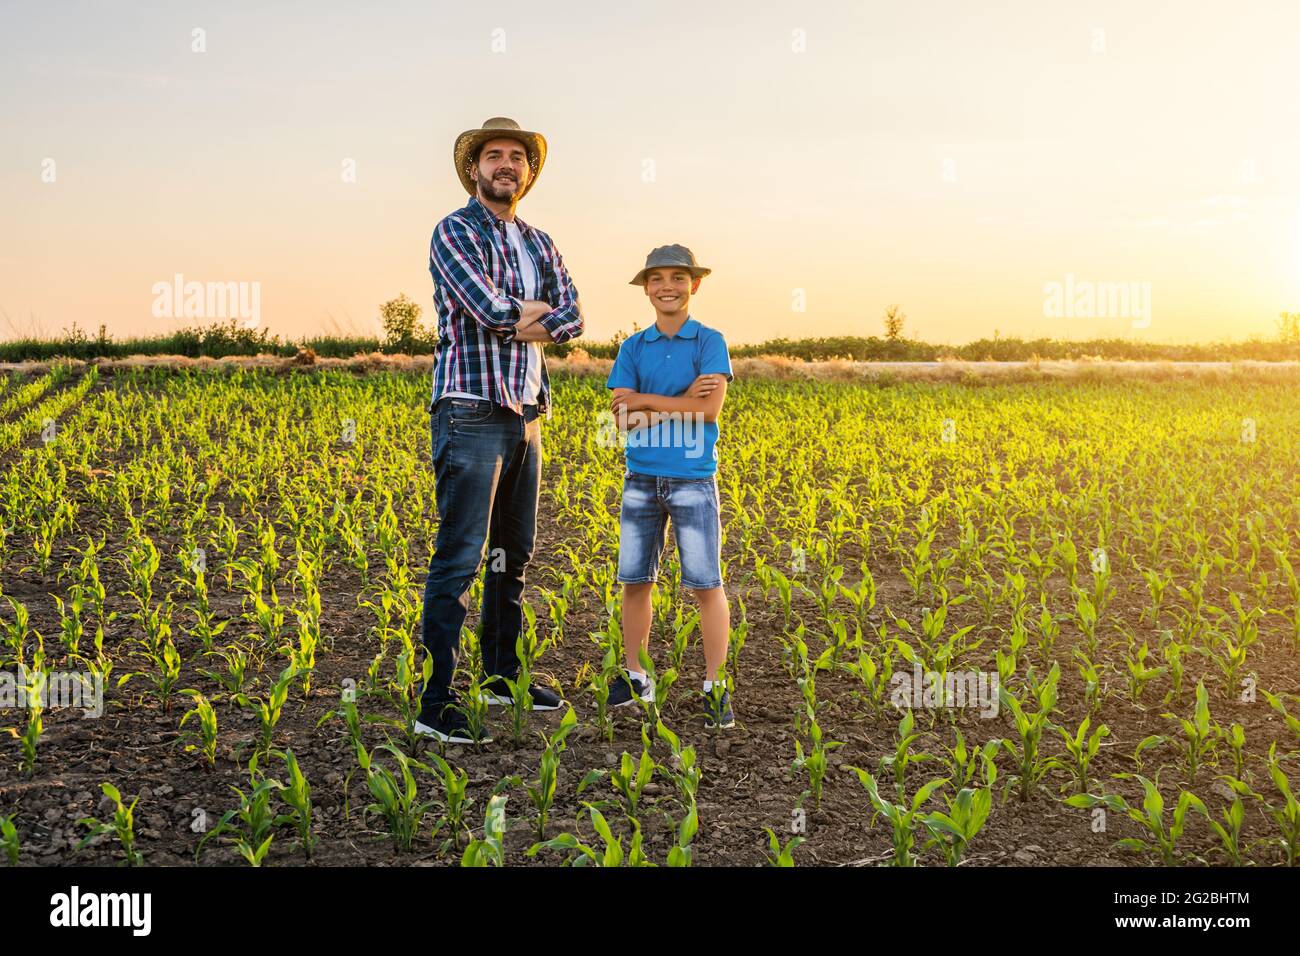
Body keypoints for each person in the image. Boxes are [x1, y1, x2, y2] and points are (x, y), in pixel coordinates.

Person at [416, 117, 584, 744]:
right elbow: (487, 311)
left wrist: (529, 317)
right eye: (494, 156)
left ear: (528, 172)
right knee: (460, 557)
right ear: (475, 169)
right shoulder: (454, 231)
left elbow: (575, 317)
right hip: (470, 409)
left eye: (517, 157)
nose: (506, 164)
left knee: (512, 556)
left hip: (527, 413)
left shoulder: (541, 242)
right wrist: (534, 313)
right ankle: (435, 703)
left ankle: (500, 675)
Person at [606, 244, 735, 730]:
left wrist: (646, 400)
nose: (667, 286)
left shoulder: (709, 341)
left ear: (693, 285)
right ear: (646, 287)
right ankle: (637, 677)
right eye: (657, 278)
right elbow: (623, 419)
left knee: (705, 583)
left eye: (678, 278)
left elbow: (708, 411)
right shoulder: (632, 347)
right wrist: (676, 399)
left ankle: (714, 686)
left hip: (693, 480)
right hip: (640, 478)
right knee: (635, 581)